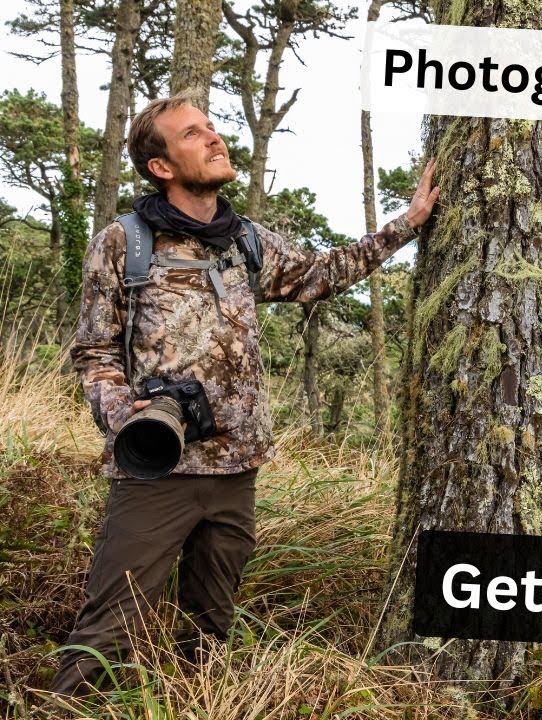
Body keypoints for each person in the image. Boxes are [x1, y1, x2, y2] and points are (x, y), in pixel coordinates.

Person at [50, 95, 440, 696]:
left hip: (238, 470)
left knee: (209, 634)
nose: (213, 139)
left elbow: (319, 275)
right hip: (157, 470)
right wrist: (124, 414)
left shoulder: (245, 241)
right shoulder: (122, 243)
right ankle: (65, 709)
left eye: (211, 128)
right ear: (161, 166)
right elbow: (93, 351)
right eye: (192, 134)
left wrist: (406, 225)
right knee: (107, 630)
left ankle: (194, 705)